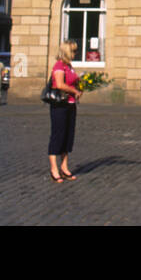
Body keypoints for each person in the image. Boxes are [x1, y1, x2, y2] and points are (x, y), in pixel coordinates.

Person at [47, 40, 82, 183]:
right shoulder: (59, 66)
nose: (75, 53)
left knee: (68, 135)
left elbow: (74, 81)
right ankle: (54, 168)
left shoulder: (69, 66)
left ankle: (64, 166)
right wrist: (74, 90)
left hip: (71, 104)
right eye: (73, 51)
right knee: (58, 134)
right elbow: (60, 84)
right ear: (66, 51)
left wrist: (81, 86)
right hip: (59, 105)